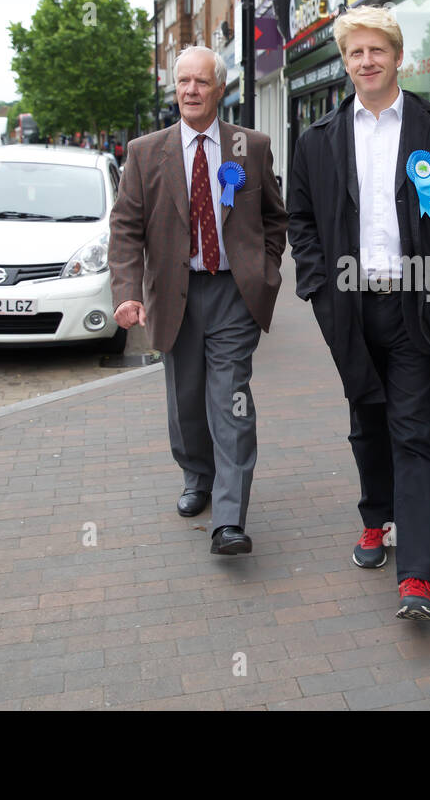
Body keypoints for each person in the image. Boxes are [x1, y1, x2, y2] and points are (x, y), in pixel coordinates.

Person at [288, 5, 430, 621]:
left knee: (415, 435)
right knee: (367, 422)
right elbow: (300, 220)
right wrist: (319, 286)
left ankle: (418, 579)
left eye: (376, 50)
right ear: (345, 63)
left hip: (414, 307)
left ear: (398, 56)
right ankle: (377, 517)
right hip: (347, 305)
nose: (366, 62)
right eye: (354, 53)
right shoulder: (317, 139)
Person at [109, 45, 287, 556]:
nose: (190, 90)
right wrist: (126, 292)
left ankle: (229, 520)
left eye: (201, 82)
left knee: (230, 400)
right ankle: (197, 475)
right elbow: (125, 229)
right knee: (186, 401)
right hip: (175, 296)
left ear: (220, 89)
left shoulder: (249, 147)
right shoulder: (147, 152)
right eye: (183, 81)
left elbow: (276, 217)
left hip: (233, 295)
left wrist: (264, 267)